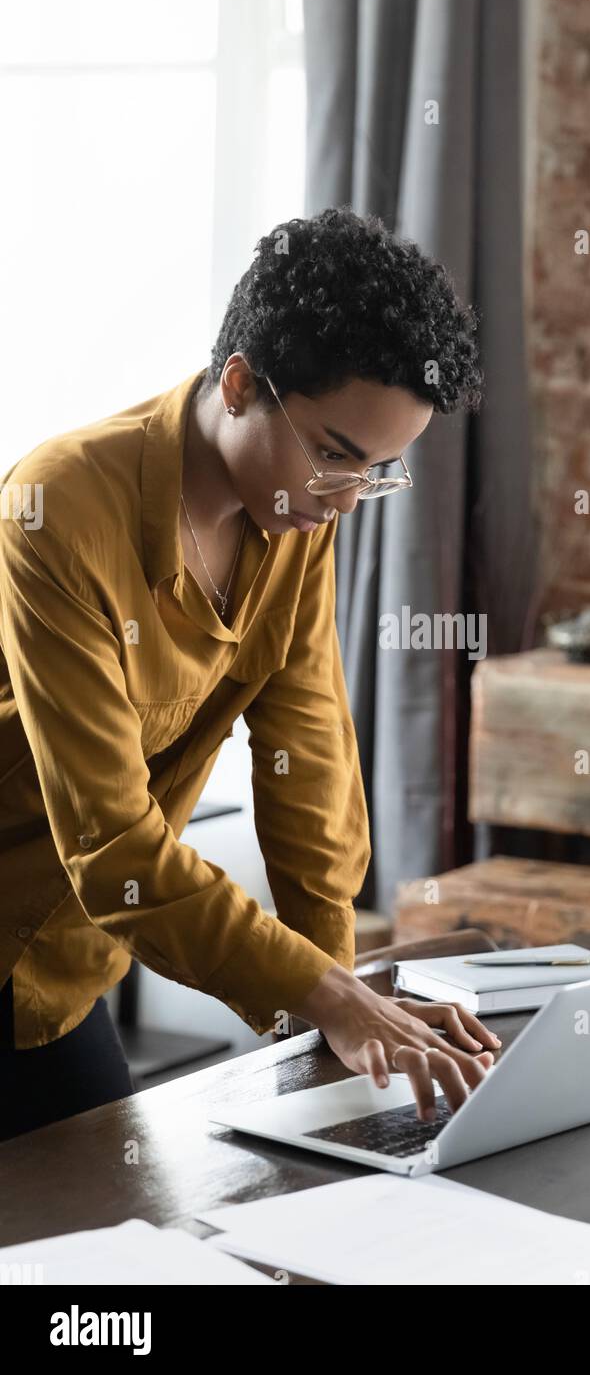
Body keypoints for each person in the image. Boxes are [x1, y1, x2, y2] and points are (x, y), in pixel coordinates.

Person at [0, 206, 498, 1142]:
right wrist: (326, 999)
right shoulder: (57, 508)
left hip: (64, 961)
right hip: (42, 903)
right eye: (336, 455)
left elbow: (309, 765)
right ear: (238, 385)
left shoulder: (295, 513)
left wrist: (345, 1004)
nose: (349, 497)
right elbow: (113, 847)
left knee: (115, 1242)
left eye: (381, 471)